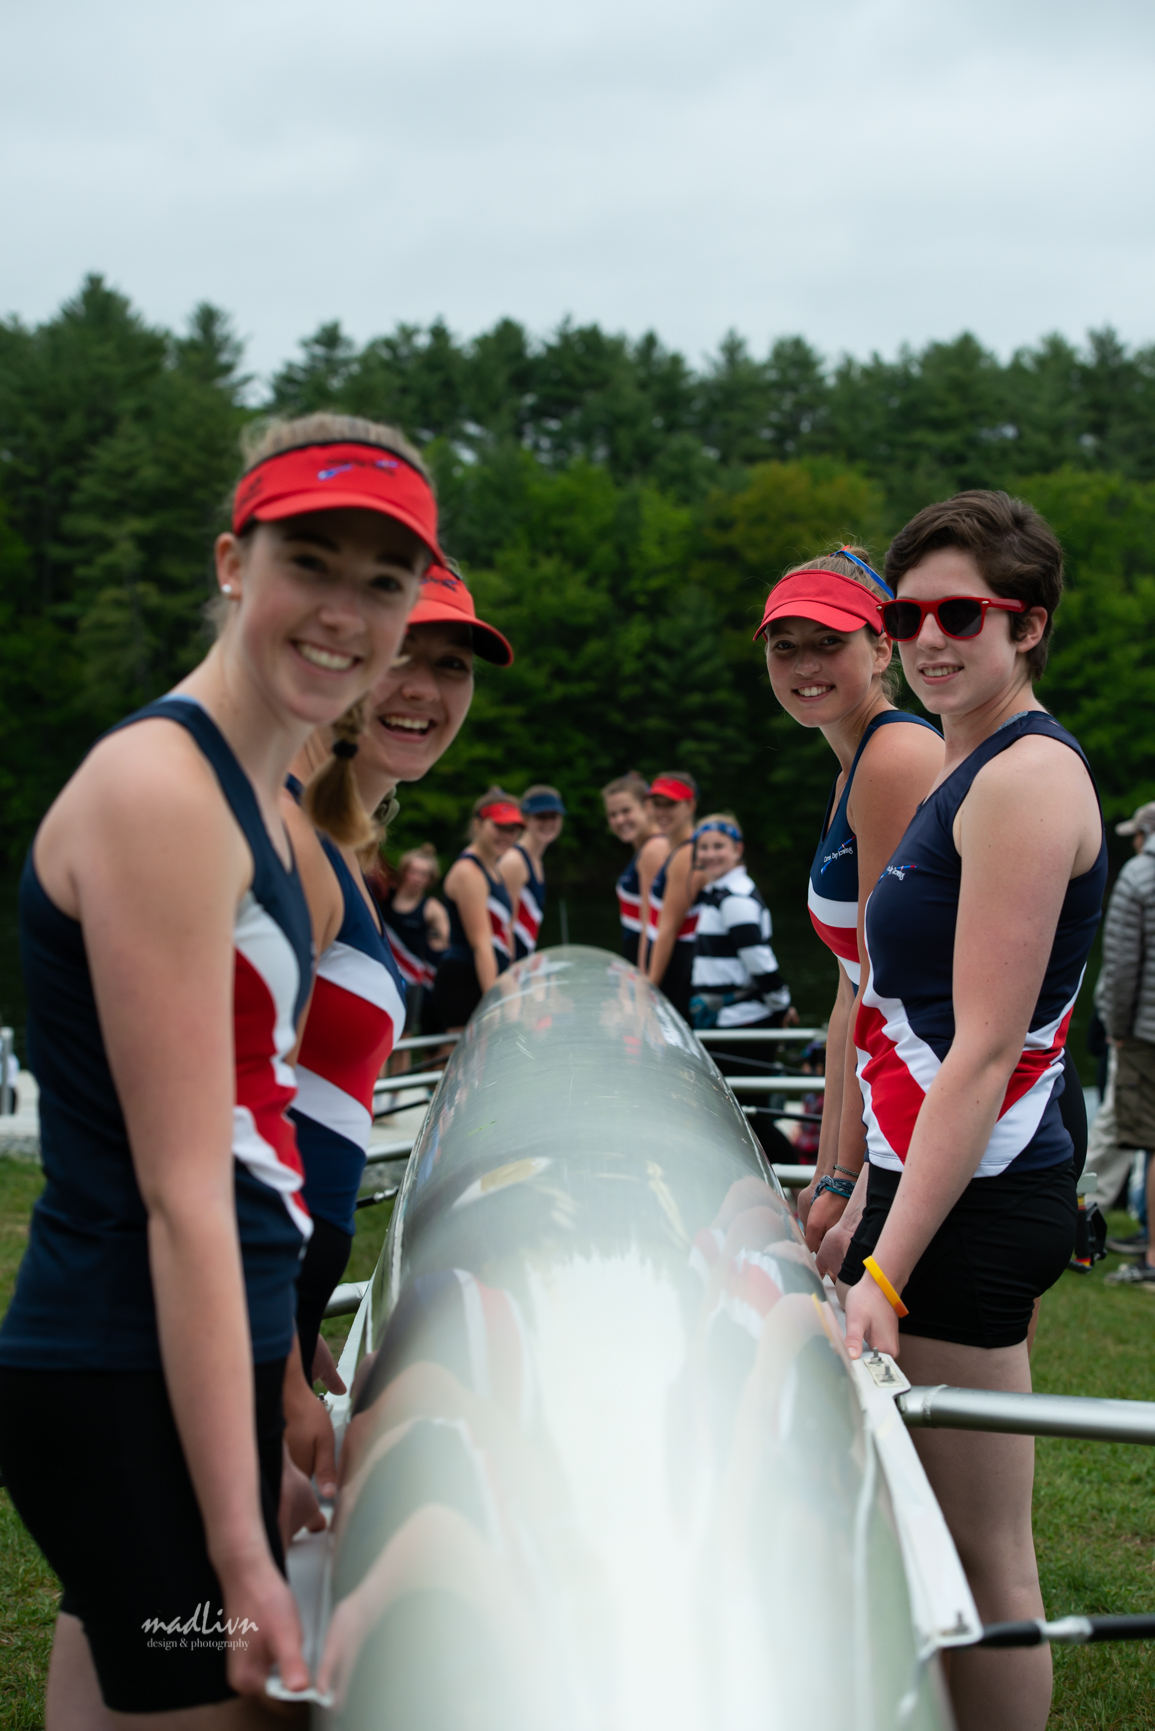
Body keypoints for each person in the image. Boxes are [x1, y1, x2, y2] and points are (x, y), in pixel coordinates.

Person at [0, 414, 434, 1721]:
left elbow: (255, 1133)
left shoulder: (246, 794)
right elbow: (189, 1192)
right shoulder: (162, 792)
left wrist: (281, 1378)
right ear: (232, 561)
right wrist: (241, 1554)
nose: (343, 610)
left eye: (382, 578)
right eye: (311, 559)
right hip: (123, 1363)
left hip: (184, 1358)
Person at [836, 492, 1106, 1731]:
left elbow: (986, 1049)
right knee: (924, 1548)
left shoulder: (1028, 776)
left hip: (978, 1197)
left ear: (1028, 626)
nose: (930, 637)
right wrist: (862, 1202)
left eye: (963, 613)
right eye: (908, 614)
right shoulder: (965, 762)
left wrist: (885, 1272)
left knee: (980, 1561)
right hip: (939, 1183)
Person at [286, 558, 512, 1376]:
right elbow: (207, 1130)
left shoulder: (341, 839)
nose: (424, 687)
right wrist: (262, 1351)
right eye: (398, 655)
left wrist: (290, 1323)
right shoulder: (280, 832)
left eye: (450, 665)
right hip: (192, 1337)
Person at [757, 547, 943, 1266]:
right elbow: (847, 991)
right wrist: (828, 1170)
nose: (804, 664)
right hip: (900, 1108)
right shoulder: (850, 772)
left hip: (940, 1112)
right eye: (785, 646)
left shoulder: (896, 757)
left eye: (828, 642)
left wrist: (855, 1171)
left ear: (881, 646)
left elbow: (891, 995)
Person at [1094, 799, 1155, 1281]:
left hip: (1143, 1034)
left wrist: (1114, 1028)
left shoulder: (1138, 875)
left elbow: (1121, 964)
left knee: (1141, 1139)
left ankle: (1149, 1256)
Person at [427, 789, 522, 1032]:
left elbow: (504, 932)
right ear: (478, 824)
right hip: (464, 982)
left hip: (485, 977)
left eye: (513, 829)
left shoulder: (494, 868)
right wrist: (495, 1002)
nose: (507, 835)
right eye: (499, 827)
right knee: (463, 1067)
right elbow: (481, 944)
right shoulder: (469, 872)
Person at [688, 814, 792, 1031]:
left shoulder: (735, 898)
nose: (710, 854)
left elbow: (757, 958)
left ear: (738, 850)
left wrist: (782, 1005)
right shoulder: (716, 892)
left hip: (740, 1019)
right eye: (703, 847)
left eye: (719, 846)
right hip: (720, 1016)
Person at [644, 772, 703, 1020]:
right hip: (676, 966)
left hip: (679, 970)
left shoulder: (687, 854)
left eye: (671, 804)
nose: (662, 812)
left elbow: (667, 929)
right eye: (657, 804)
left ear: (690, 806)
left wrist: (648, 989)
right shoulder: (675, 850)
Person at [603, 771, 667, 965]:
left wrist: (642, 979)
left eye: (626, 811)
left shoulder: (653, 850)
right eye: (613, 815)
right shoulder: (645, 849)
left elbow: (652, 926)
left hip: (649, 965)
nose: (619, 820)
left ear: (647, 806)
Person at [379, 844, 450, 1006]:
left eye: (424, 874)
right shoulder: (384, 896)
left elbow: (445, 941)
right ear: (404, 872)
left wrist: (433, 937)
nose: (417, 878)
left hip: (411, 975)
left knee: (407, 1029)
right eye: (414, 872)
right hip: (383, 971)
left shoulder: (432, 908)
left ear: (430, 879)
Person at [501, 785, 567, 959]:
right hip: (508, 964)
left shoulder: (536, 861)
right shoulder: (514, 861)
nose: (548, 823)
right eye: (540, 816)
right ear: (525, 819)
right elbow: (504, 927)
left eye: (553, 816)